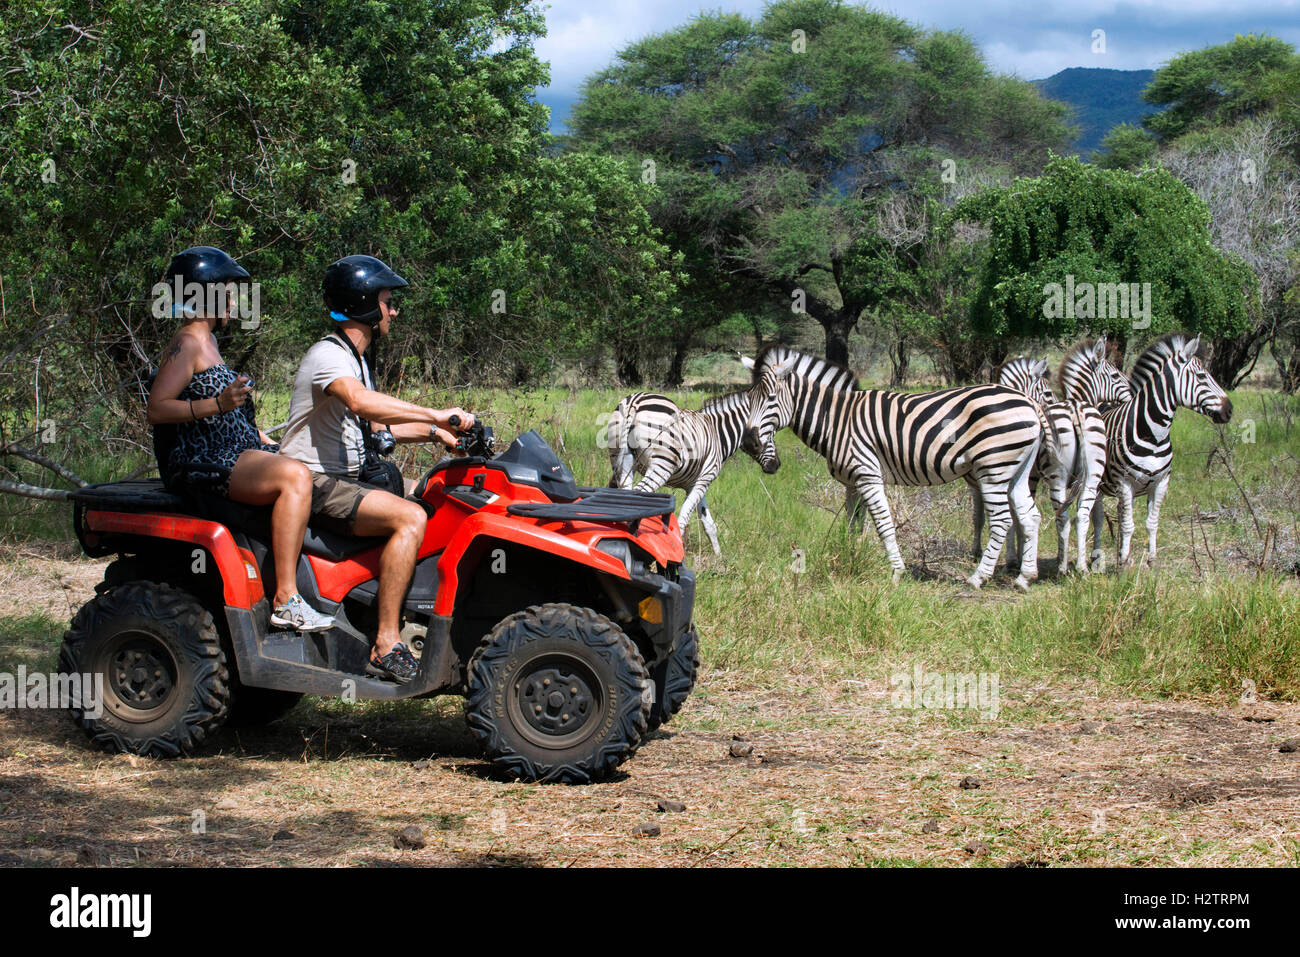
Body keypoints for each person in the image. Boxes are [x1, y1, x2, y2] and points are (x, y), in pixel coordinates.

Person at [279, 255, 473, 683]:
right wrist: (437, 414)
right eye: (388, 302)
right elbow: (361, 403)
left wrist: (436, 434)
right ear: (366, 305)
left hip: (341, 478)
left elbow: (374, 428)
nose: (394, 311)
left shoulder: (356, 358)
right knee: (410, 517)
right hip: (315, 481)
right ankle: (386, 643)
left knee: (427, 498)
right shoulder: (328, 355)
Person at [147, 246, 335, 632]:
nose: (234, 300)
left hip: (232, 449)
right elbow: (158, 409)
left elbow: (226, 412)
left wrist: (260, 436)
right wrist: (216, 403)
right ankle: (286, 599)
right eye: (228, 291)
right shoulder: (187, 342)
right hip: (203, 460)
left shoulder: (209, 342)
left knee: (306, 466)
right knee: (294, 477)